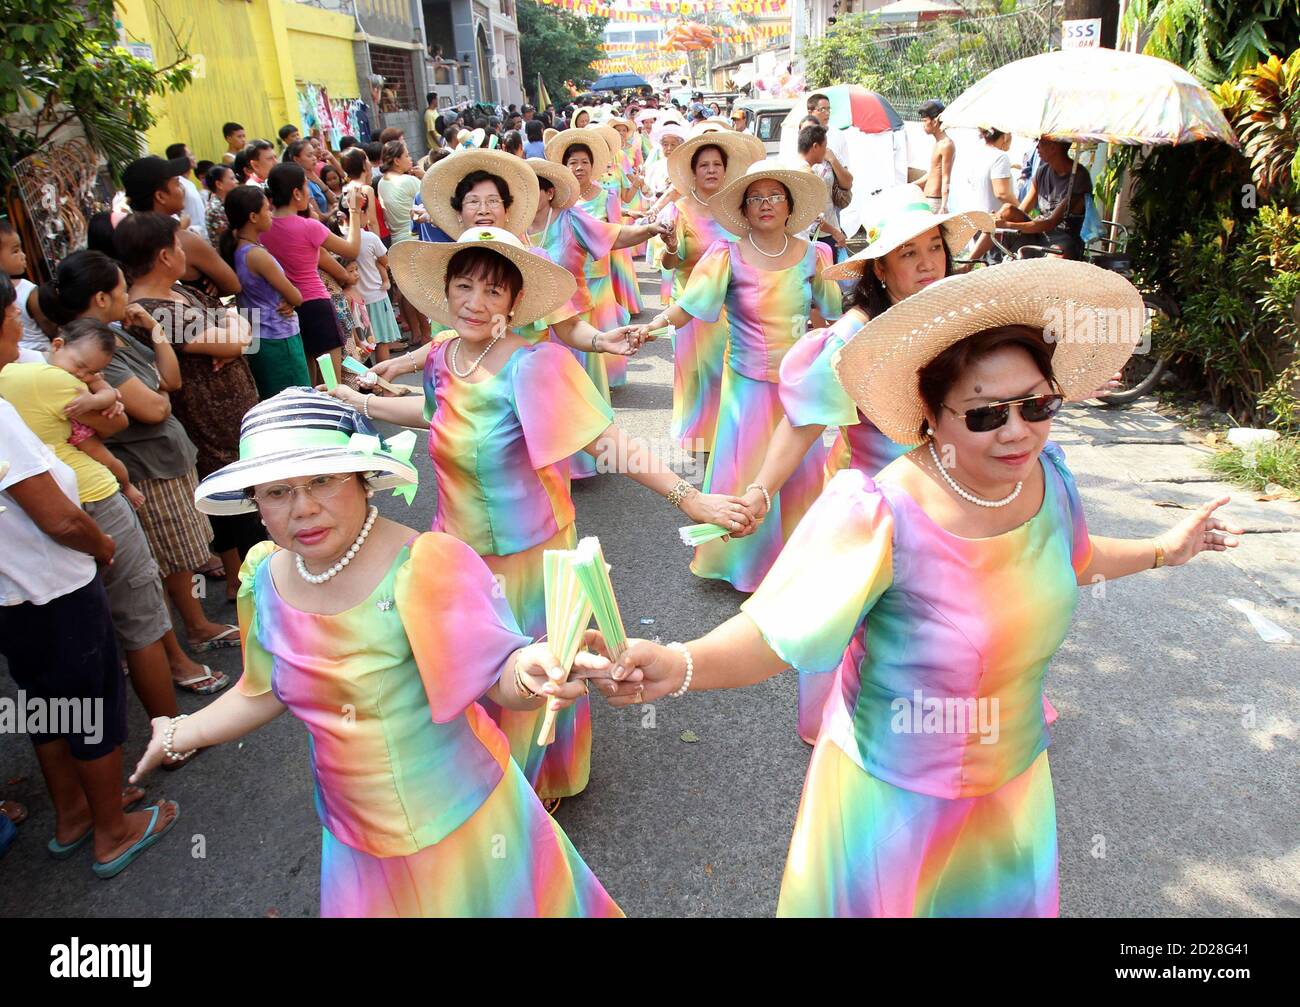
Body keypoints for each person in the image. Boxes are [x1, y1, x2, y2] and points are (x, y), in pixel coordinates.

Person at [596, 258, 1244, 918]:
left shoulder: (1047, 476)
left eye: (1038, 403)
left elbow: (1073, 559)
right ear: (931, 413)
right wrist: (678, 664)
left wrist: (1167, 549)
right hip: (893, 806)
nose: (1018, 429)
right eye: (988, 414)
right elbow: (774, 631)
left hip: (1012, 792)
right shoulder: (876, 510)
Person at [131, 388, 623, 918]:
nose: (304, 508)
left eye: (323, 479)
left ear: (364, 479)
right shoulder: (264, 579)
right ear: (256, 504)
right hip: (351, 837)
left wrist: (534, 670)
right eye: (277, 492)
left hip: (461, 824)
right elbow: (260, 691)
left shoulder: (424, 566)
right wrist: (176, 732)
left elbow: (501, 675)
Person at [337, 229, 751, 808]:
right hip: (456, 549)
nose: (475, 302)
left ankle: (537, 781)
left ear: (513, 302)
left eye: (492, 291)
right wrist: (360, 403)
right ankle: (486, 770)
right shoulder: (441, 356)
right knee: (474, 665)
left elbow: (606, 442)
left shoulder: (534, 366)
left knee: (536, 669)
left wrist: (691, 498)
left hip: (529, 549)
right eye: (464, 287)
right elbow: (433, 417)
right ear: (446, 293)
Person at [746, 189, 993, 740]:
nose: (928, 262)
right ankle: (862, 727)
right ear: (880, 268)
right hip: (880, 504)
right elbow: (805, 420)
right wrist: (761, 491)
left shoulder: (959, 317)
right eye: (908, 253)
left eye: (935, 247)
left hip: (956, 498)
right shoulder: (855, 335)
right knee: (870, 618)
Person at [0, 276, 178, 878]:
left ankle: (74, 814)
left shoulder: (18, 384)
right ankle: (112, 830)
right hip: (54, 582)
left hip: (12, 593)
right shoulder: (10, 403)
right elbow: (54, 514)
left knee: (45, 704)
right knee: (92, 702)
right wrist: (99, 542)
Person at [636, 162, 841, 591]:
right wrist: (649, 327)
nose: (765, 205)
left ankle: (799, 561)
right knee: (747, 475)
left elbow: (836, 314)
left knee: (799, 473)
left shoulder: (815, 256)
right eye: (756, 199)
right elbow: (690, 306)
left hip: (797, 388)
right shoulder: (725, 255)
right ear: (744, 210)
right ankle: (744, 564)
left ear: (790, 206)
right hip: (745, 388)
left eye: (774, 197)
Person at [657, 131, 763, 451]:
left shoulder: (736, 210)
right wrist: (673, 246)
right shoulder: (679, 210)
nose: (712, 170)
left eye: (717, 164)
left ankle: (733, 432)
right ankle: (703, 436)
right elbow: (670, 263)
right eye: (704, 165)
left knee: (732, 370)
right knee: (699, 376)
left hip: (734, 305)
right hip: (692, 306)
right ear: (693, 171)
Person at [259, 162, 364, 383]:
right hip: (317, 307)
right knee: (333, 383)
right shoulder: (309, 227)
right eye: (306, 187)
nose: (309, 193)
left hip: (288, 309)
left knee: (311, 383)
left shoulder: (262, 230)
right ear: (296, 193)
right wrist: (354, 211)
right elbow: (352, 248)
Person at [220, 185, 310, 397]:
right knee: (295, 400)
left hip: (257, 336)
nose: (270, 214)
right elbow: (296, 296)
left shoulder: (236, 249)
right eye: (266, 209)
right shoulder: (257, 255)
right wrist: (291, 299)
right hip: (277, 337)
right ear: (253, 216)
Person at [121, 155, 241, 299]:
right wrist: (200, 295)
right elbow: (233, 285)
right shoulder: (181, 240)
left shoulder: (127, 238)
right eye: (177, 183)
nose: (182, 190)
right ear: (160, 196)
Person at [998, 137, 1091, 260]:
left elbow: (1051, 223)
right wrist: (1000, 220)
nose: (1037, 147)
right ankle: (968, 263)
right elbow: (1022, 209)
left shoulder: (1079, 176)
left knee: (1056, 256)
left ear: (1053, 148)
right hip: (1039, 233)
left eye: (1041, 143)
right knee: (1007, 210)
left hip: (1063, 239)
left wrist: (1008, 225)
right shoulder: (1042, 172)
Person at [793, 123, 850, 254]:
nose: (826, 151)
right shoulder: (807, 175)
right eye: (824, 146)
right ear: (815, 147)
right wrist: (836, 233)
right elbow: (814, 218)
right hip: (803, 243)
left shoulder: (793, 166)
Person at [961, 128, 1017, 260]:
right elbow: (1002, 193)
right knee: (994, 267)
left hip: (976, 218)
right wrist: (1020, 210)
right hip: (993, 223)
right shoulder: (1000, 157)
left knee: (982, 265)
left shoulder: (977, 154)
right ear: (1005, 135)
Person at [0, 220, 56, 352]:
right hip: (42, 353)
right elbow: (48, 325)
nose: (23, 256)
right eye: (15, 251)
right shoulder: (28, 290)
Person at [914, 99, 955, 214]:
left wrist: (944, 205)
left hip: (936, 202)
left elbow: (946, 177)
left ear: (935, 121)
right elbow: (932, 173)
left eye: (925, 120)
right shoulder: (938, 143)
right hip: (928, 199)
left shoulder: (946, 144)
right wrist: (910, 186)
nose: (923, 125)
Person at [164, 143, 208, 238]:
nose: (194, 157)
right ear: (181, 160)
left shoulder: (189, 183)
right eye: (191, 154)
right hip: (192, 236)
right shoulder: (179, 184)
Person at [339, 148, 382, 235]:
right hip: (374, 237)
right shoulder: (366, 189)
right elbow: (371, 222)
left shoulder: (346, 188)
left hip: (357, 237)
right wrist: (378, 244)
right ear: (363, 165)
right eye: (366, 158)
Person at [285, 140, 330, 217]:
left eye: (313, 154)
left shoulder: (312, 177)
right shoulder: (302, 183)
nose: (314, 158)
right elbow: (319, 216)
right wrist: (334, 210)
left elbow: (333, 199)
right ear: (296, 159)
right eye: (309, 156)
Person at [203, 164, 237, 248]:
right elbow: (229, 238)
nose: (236, 181)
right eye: (232, 179)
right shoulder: (216, 209)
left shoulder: (227, 201)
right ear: (219, 184)